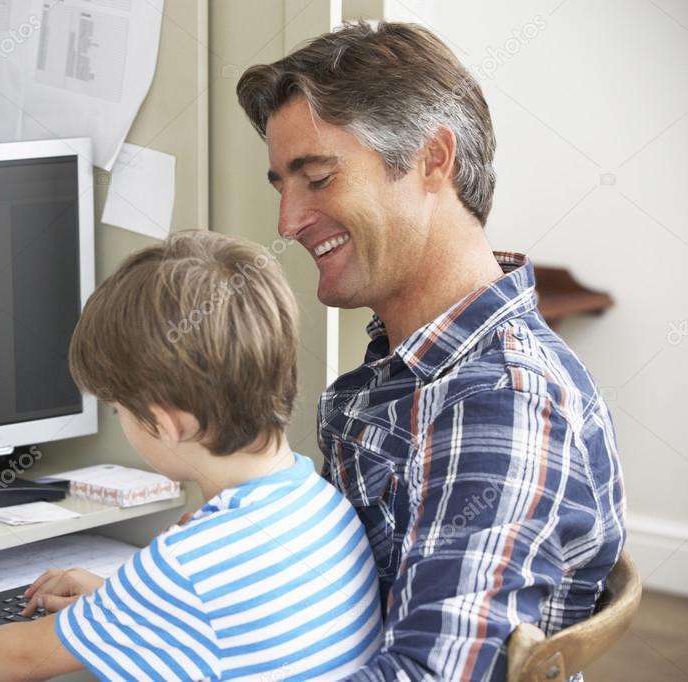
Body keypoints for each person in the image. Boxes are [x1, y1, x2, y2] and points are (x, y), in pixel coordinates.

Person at [235, 21, 626, 680]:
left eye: (318, 178)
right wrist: (153, 609)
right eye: (282, 185)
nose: (287, 222)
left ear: (432, 160)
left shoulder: (497, 402)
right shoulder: (413, 367)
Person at [0, 230, 383, 681]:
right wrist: (118, 603)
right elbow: (233, 617)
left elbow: (25, 653)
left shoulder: (185, 565)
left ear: (168, 423)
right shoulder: (320, 503)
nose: (119, 421)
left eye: (119, 409)